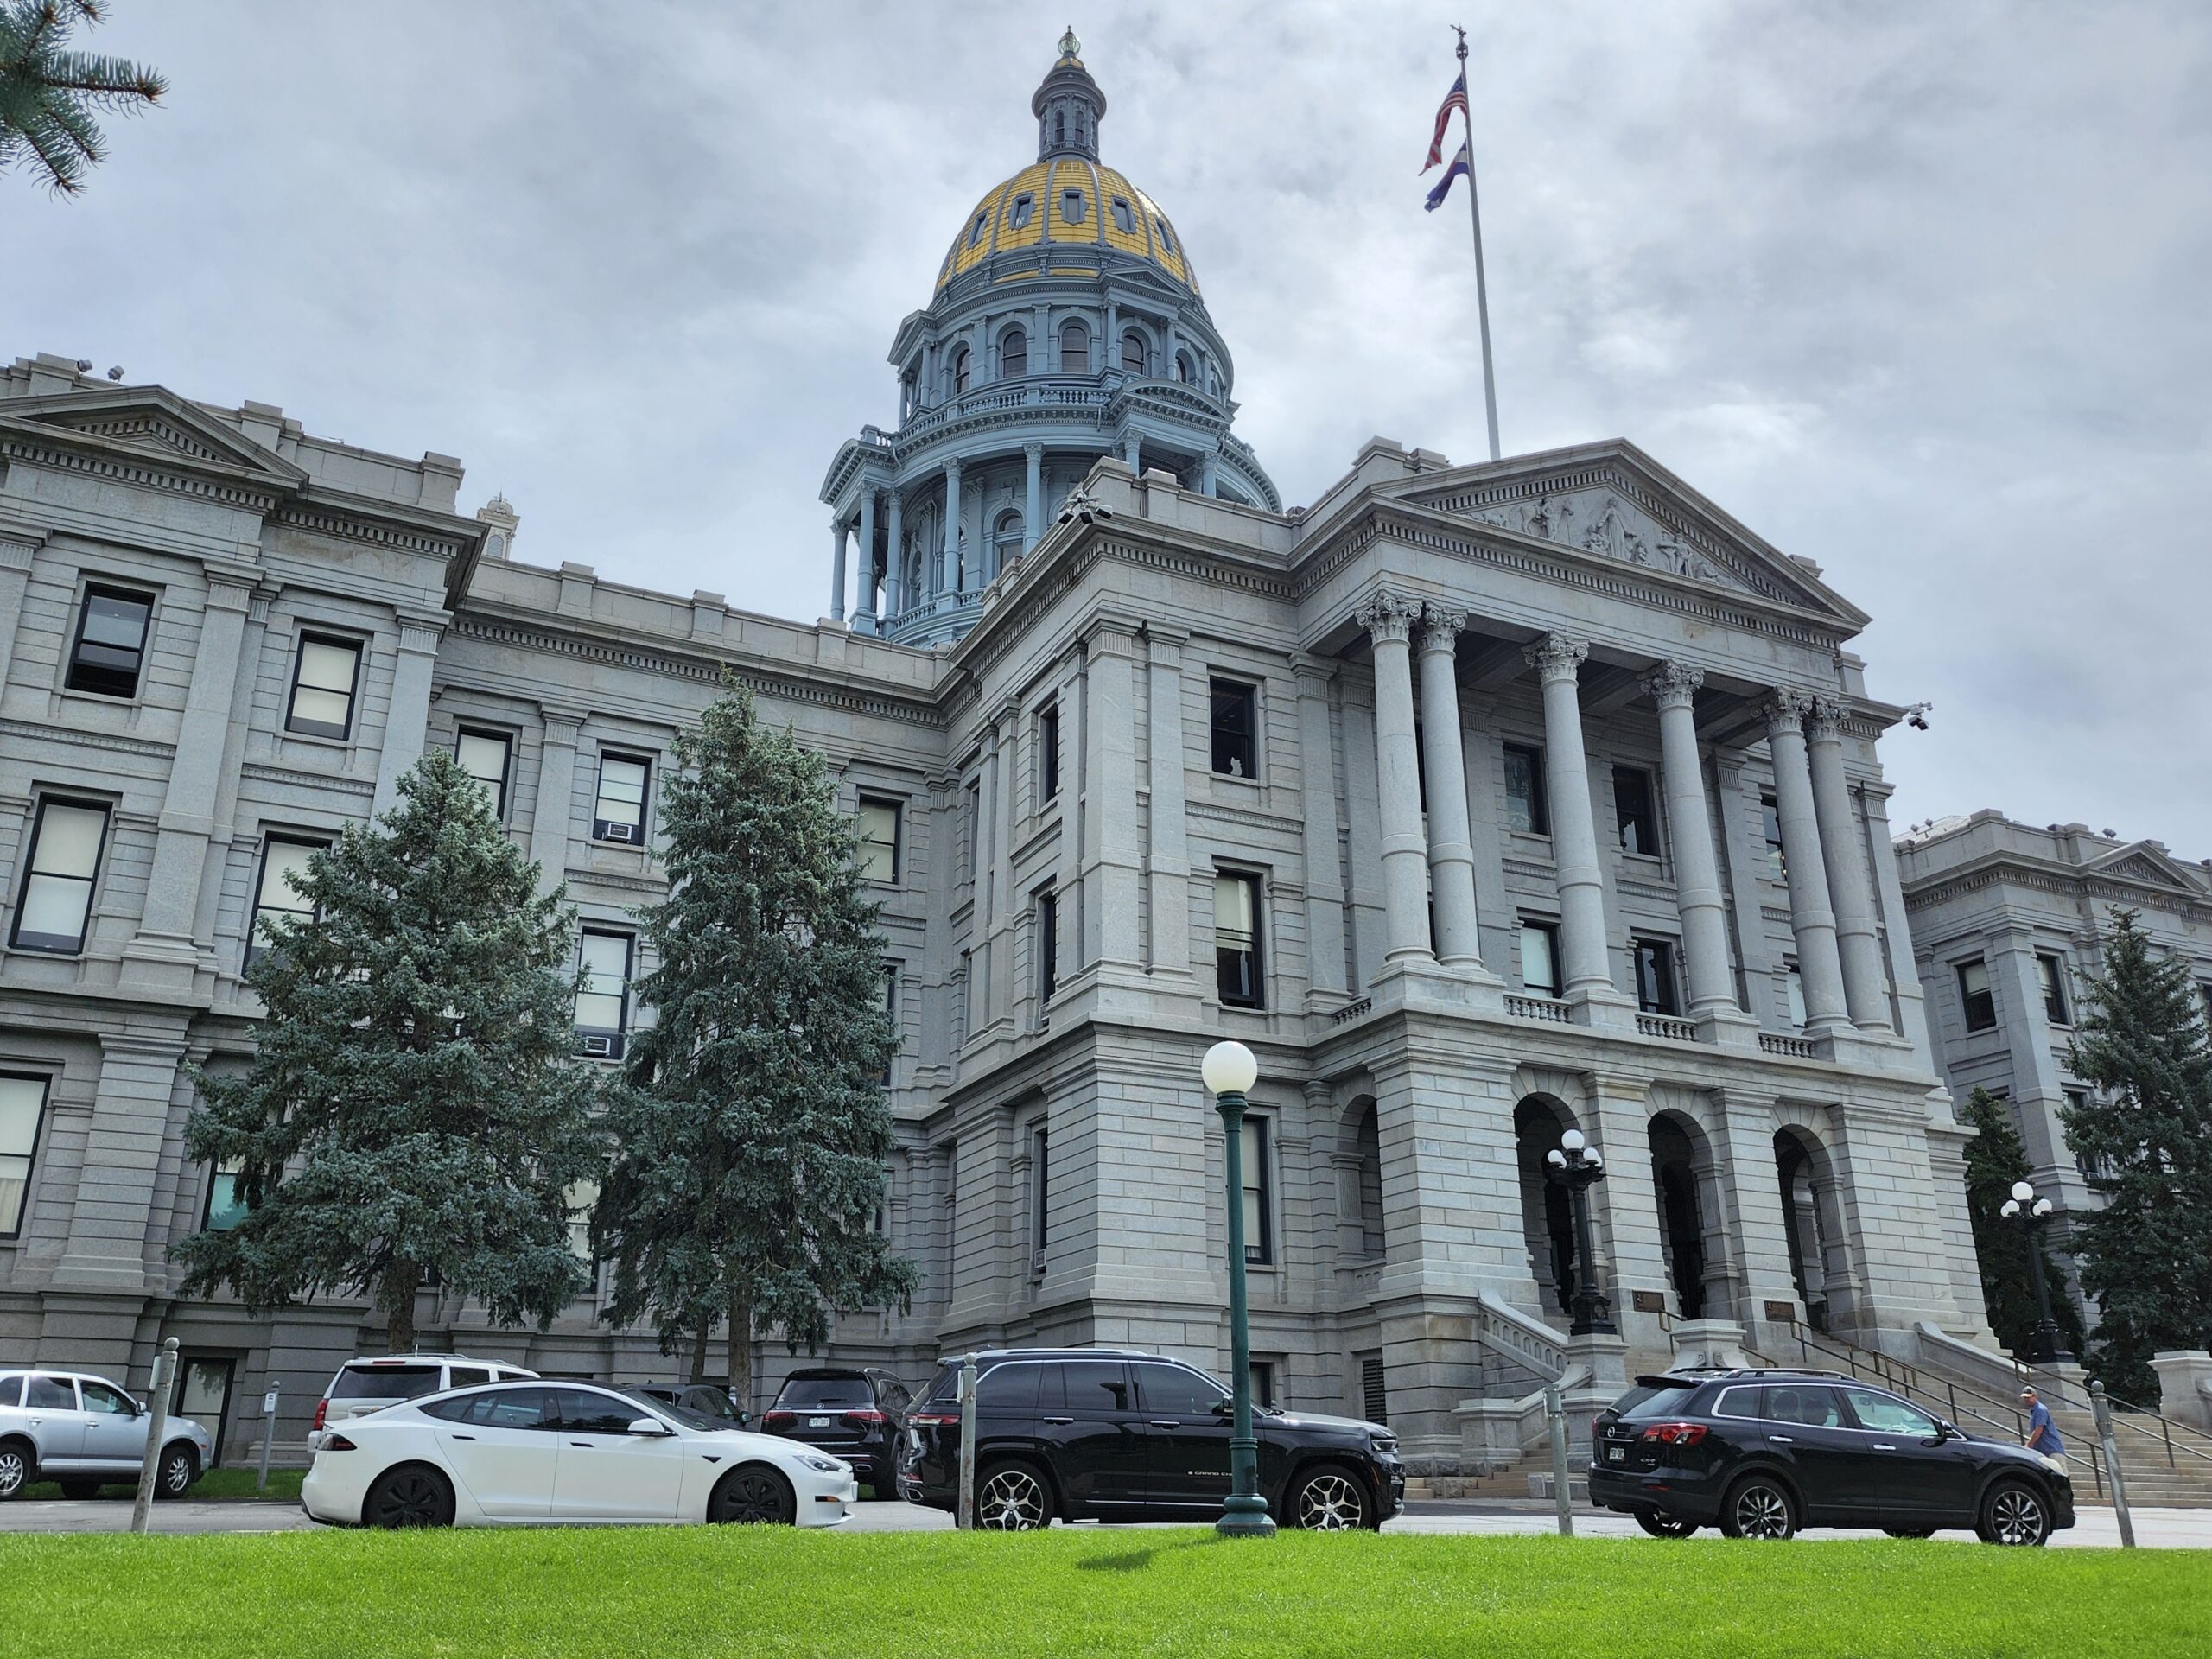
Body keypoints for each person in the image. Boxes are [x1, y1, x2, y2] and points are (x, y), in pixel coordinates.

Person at [2021, 1387, 2066, 1473]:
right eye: (2025, 1397)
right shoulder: (2034, 1410)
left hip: (2052, 1449)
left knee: (2061, 1474)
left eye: (2029, 1397)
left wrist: (2029, 1445)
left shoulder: (2040, 1410)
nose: (2027, 1400)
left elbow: (2038, 1430)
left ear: (2035, 1396)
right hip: (2043, 1450)